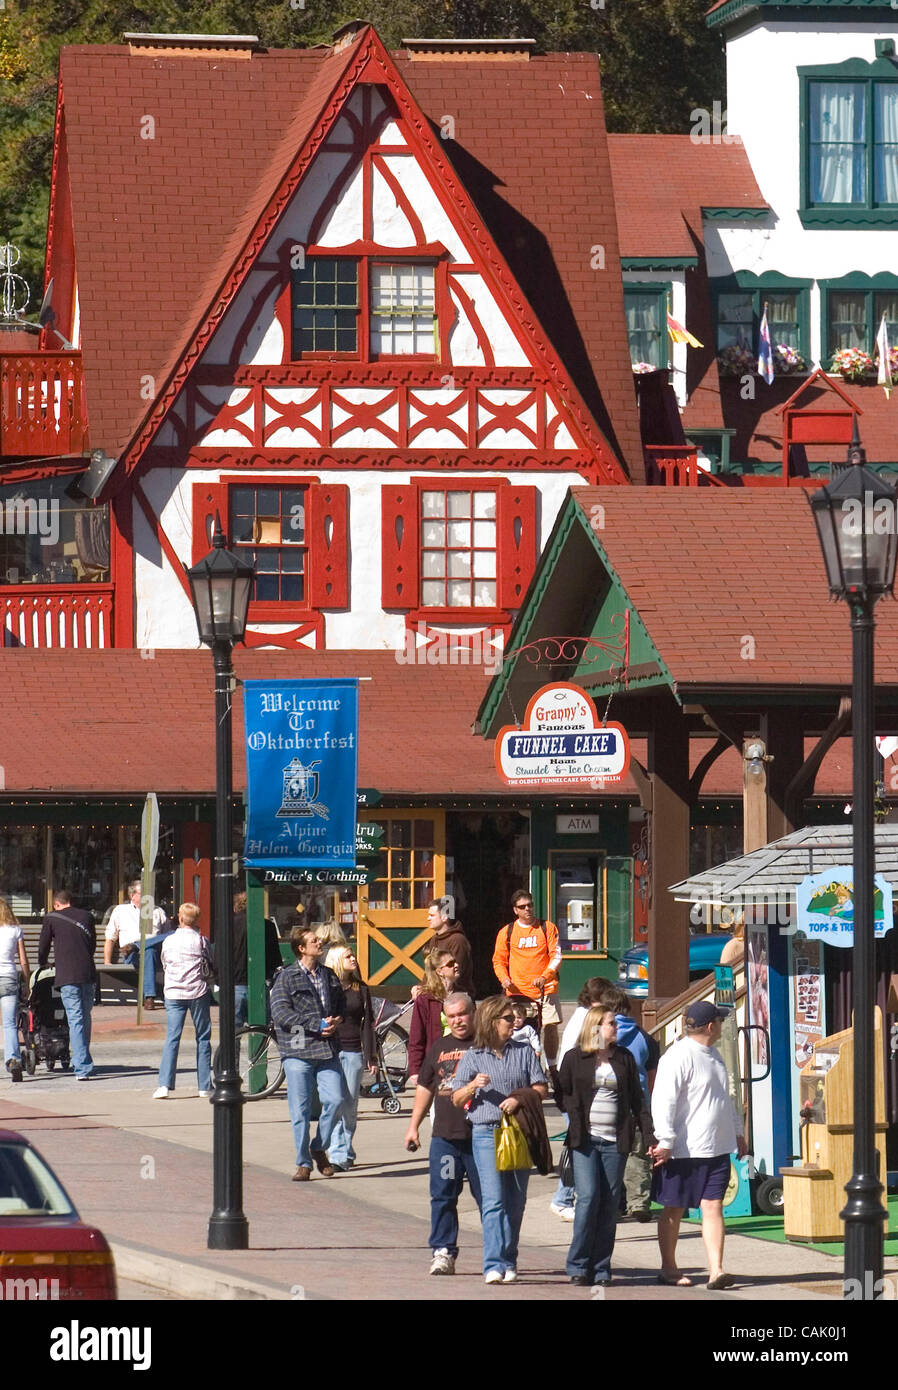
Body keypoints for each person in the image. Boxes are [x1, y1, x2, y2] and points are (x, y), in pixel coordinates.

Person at [451, 994, 548, 1285]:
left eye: (515, 1017)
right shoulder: (473, 1056)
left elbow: (541, 1088)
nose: (515, 1022)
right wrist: (472, 1086)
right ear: (492, 1022)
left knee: (516, 1201)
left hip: (518, 1130)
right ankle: (492, 1263)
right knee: (493, 1201)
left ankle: (509, 1258)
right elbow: (456, 1098)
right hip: (485, 1133)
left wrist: (519, 1100)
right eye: (508, 1018)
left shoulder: (523, 1051)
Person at [650, 1000, 748, 1289]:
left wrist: (738, 1133)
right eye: (719, 1021)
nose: (721, 1026)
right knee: (674, 1207)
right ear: (710, 1026)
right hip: (684, 1148)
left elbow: (725, 1098)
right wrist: (665, 1140)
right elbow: (663, 1100)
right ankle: (668, 1267)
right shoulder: (677, 1056)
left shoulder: (715, 1055)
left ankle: (716, 1270)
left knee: (713, 1205)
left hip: (717, 1147)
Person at [556, 1005, 655, 1286]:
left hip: (615, 1141)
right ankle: (578, 1265)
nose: (616, 1028)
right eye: (611, 1023)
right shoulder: (576, 1058)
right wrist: (575, 1117)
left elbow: (638, 1101)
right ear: (596, 1027)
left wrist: (649, 1135)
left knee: (609, 1204)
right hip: (585, 1141)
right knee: (587, 1199)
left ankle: (601, 1267)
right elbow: (562, 1092)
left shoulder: (623, 1059)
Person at [404, 991, 482, 1275]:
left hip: (481, 1138)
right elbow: (425, 1086)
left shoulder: (487, 1044)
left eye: (463, 1014)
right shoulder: (439, 1047)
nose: (458, 1020)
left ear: (474, 1013)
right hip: (446, 1138)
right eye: (452, 1016)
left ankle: (497, 1254)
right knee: (443, 1195)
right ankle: (443, 1251)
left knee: (488, 1198)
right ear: (445, 1019)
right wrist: (413, 1126)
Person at [270, 926, 345, 1181]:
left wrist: (336, 1021)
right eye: (314, 941)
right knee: (300, 1111)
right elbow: (281, 1014)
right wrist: (317, 1025)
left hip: (327, 1050)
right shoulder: (287, 977)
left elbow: (340, 1004)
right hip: (298, 1050)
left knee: (336, 1100)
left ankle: (318, 1146)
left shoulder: (329, 974)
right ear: (301, 948)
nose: (319, 943)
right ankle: (304, 1162)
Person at [550, 976, 610, 1221]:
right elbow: (574, 1057)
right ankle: (563, 1198)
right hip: (576, 1095)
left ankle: (574, 1197)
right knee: (578, 1148)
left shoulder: (587, 1017)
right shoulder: (586, 1019)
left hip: (584, 1093)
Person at [492, 889, 562, 1066]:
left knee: (550, 1028)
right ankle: (514, 1066)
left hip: (546, 990)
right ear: (515, 910)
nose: (527, 909)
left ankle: (552, 1066)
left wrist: (545, 976)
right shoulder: (506, 932)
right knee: (514, 1030)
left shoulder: (547, 928)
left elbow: (557, 956)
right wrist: (504, 979)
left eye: (529, 905)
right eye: (522, 907)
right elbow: (498, 961)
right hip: (517, 992)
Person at [153, 903, 213, 1099]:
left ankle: (164, 1084)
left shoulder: (169, 941)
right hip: (197, 992)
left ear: (180, 918)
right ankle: (204, 1085)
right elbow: (209, 962)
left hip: (173, 993)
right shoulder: (201, 941)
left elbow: (164, 963)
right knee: (203, 1038)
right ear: (196, 920)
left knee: (172, 1038)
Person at [324, 945, 376, 1171]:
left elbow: (368, 1024)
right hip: (331, 1051)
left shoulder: (360, 989)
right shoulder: (327, 987)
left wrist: (371, 1055)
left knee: (350, 1105)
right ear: (336, 961)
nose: (353, 958)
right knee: (335, 1102)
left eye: (353, 954)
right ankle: (338, 1155)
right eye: (348, 956)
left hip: (354, 1052)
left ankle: (346, 1149)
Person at [38, 890, 97, 1081]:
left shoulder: (51, 918)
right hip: (88, 973)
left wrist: (43, 963)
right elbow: (92, 945)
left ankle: (82, 1067)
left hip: (67, 975)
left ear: (56, 904)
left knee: (76, 1019)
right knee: (85, 1018)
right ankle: (83, 1059)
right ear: (70, 902)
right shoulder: (87, 916)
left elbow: (43, 946)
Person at [103, 880, 168, 1009]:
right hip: (132, 955)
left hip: (155, 954)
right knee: (148, 951)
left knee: (159, 943)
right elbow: (110, 938)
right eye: (144, 893)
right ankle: (149, 997)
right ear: (132, 896)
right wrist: (107, 961)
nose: (148, 896)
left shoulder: (157, 911)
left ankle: (137, 945)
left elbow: (166, 936)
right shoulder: (121, 910)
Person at [407, 949, 460, 1084]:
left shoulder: (464, 996)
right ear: (439, 972)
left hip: (461, 1060)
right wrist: (414, 1070)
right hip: (436, 1062)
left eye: (455, 962)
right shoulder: (425, 999)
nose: (456, 965)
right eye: (450, 964)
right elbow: (416, 1037)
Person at [232, 892, 283, 1027]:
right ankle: (259, 1049)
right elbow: (276, 959)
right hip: (259, 984)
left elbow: (219, 955)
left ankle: (233, 1049)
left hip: (234, 983)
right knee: (260, 1029)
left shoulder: (229, 925)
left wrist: (220, 980)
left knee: (232, 1033)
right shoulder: (268, 926)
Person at [0, 899, 29, 1082]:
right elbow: (23, 960)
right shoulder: (15, 930)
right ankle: (13, 1060)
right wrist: (28, 980)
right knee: (10, 1023)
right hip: (9, 978)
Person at [425, 899, 474, 996]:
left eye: (432, 915)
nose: (428, 918)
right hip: (438, 993)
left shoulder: (457, 940)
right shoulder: (434, 939)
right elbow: (430, 969)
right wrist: (421, 987)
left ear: (444, 917)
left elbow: (455, 973)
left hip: (457, 997)